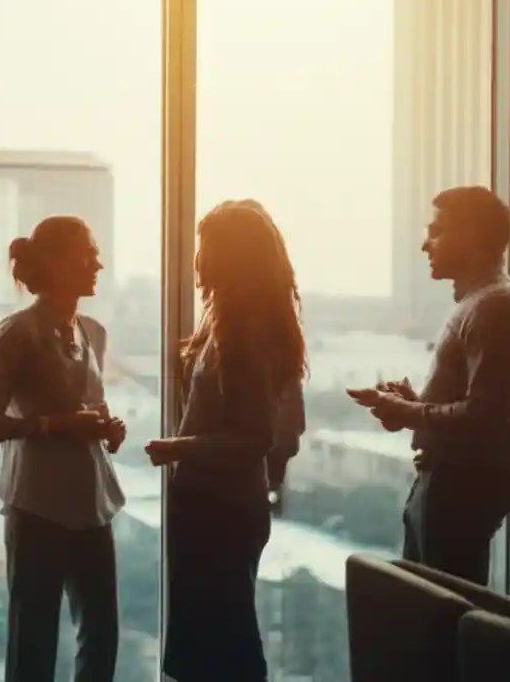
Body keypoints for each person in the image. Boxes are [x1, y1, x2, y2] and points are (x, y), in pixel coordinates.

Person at [145, 200, 307, 681]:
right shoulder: (237, 324)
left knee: (221, 640)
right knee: (217, 634)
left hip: (216, 508)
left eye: (206, 247)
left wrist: (179, 447)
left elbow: (253, 437)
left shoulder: (244, 333)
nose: (198, 260)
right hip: (221, 505)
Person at [348, 186, 510, 586]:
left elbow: (485, 416)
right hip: (453, 482)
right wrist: (415, 405)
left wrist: (407, 412)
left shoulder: (493, 307)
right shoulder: (483, 303)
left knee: (438, 622)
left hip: (460, 487)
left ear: (468, 237)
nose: (424, 244)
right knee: (431, 612)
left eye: (437, 230)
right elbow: (478, 409)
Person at [0, 216, 127, 682]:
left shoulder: (93, 332)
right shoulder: (18, 332)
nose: (98, 263)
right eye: (88, 253)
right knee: (33, 641)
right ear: (58, 264)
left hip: (91, 499)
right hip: (37, 504)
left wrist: (107, 428)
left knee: (102, 633)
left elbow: (91, 406)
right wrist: (53, 425)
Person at [233, 200, 307, 515]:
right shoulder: (278, 325)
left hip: (237, 486)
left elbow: (284, 427)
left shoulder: (251, 330)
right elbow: (291, 427)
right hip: (253, 485)